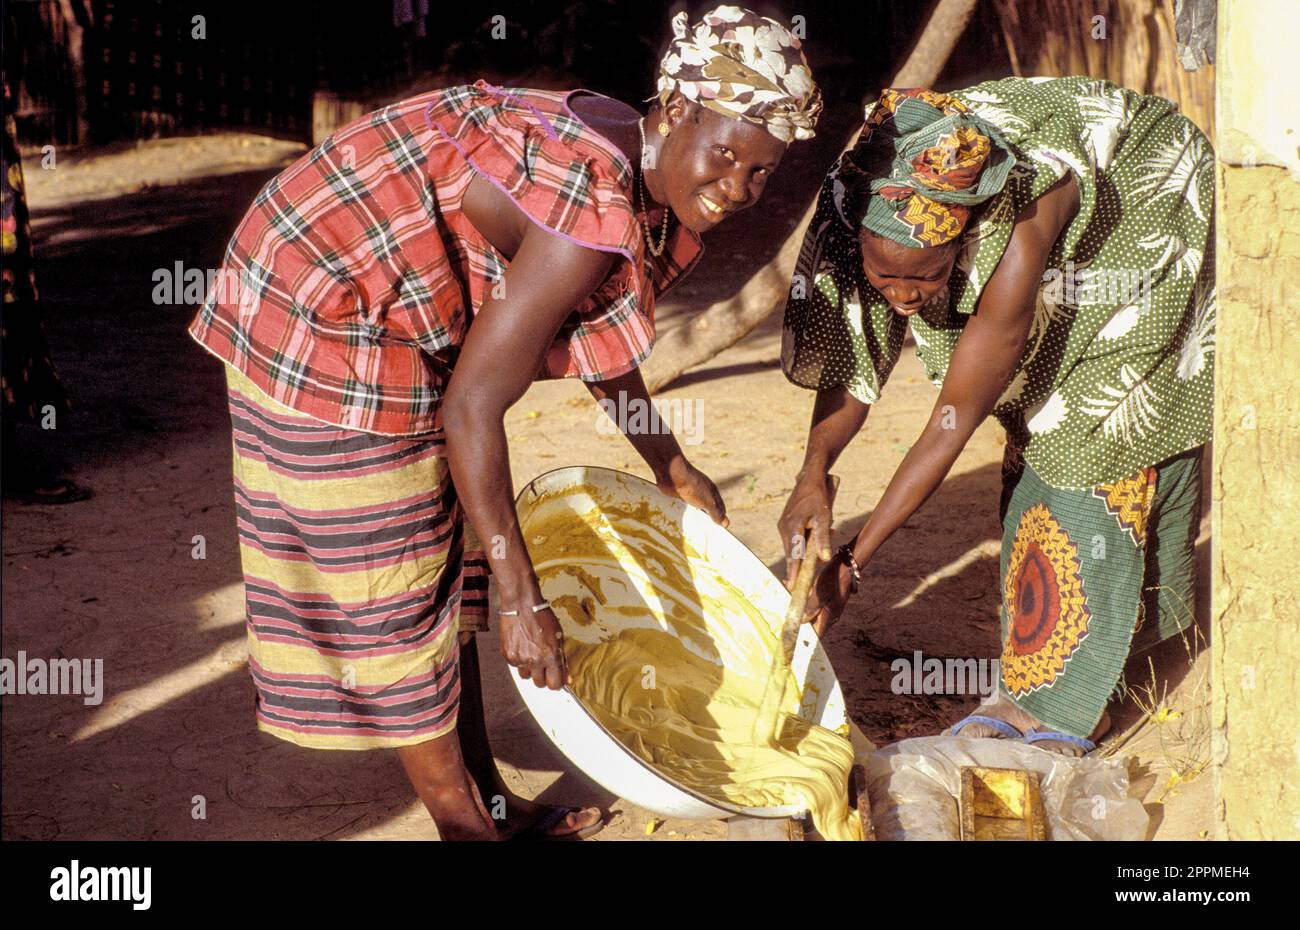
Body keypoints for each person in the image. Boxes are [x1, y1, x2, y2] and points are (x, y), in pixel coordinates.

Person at [189, 5, 820, 839]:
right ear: (674, 111)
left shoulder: (633, 160)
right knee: (401, 570)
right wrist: (523, 598)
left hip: (382, 295)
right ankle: (466, 828)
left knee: (453, 557)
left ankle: (487, 800)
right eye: (726, 154)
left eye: (764, 172)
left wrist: (667, 461)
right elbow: (472, 407)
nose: (738, 188)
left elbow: (591, 319)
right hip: (320, 298)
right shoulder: (589, 204)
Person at [779, 78, 1213, 756]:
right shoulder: (857, 200)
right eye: (884, 275)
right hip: (1055, 186)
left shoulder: (1019, 229)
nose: (901, 296)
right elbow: (853, 361)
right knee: (1035, 415)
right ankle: (1073, 658)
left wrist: (854, 562)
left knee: (1084, 429)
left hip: (1142, 195)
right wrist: (813, 474)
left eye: (923, 278)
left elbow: (952, 421)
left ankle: (1060, 700)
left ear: (961, 242)